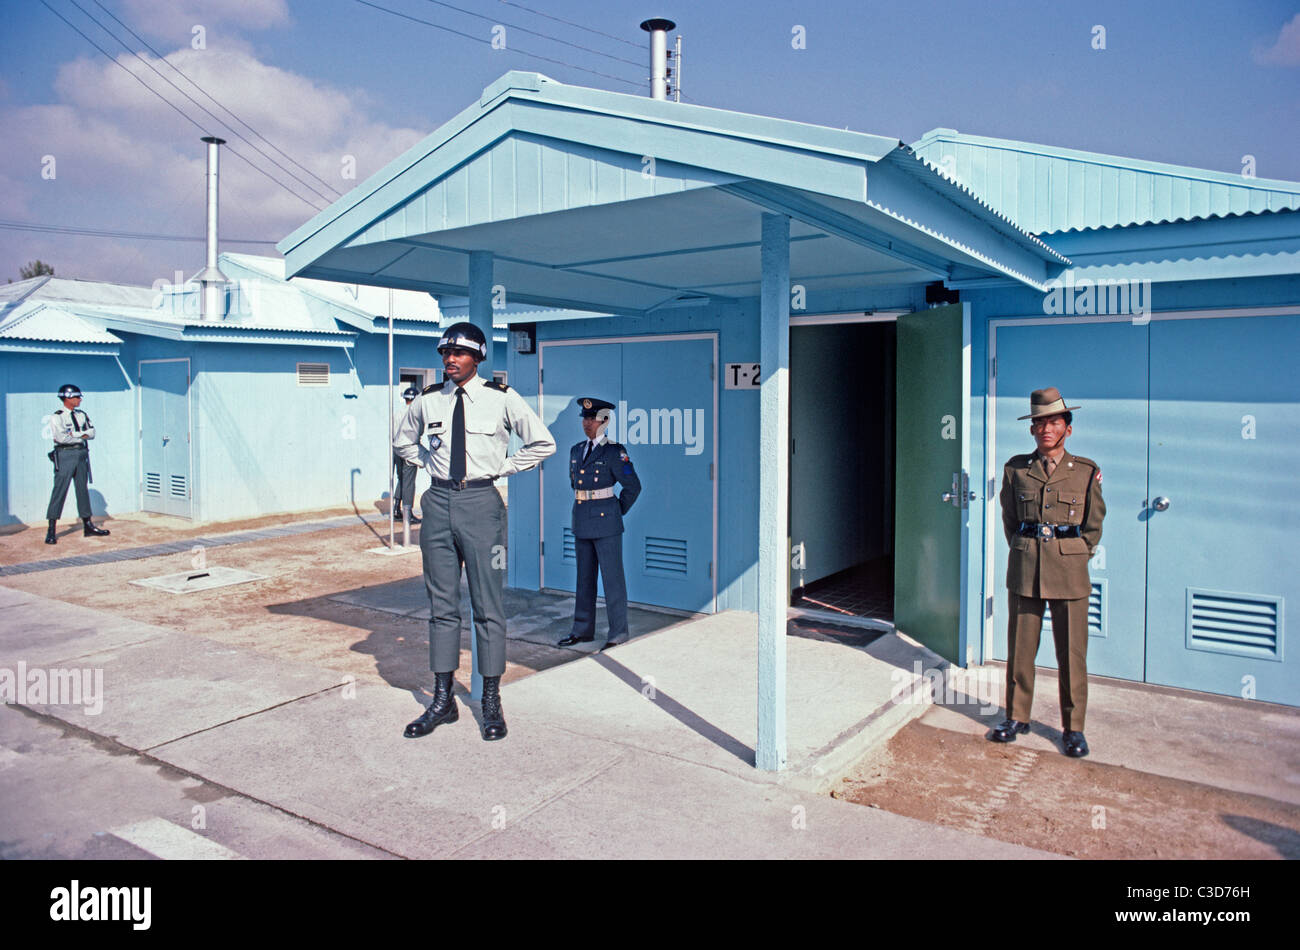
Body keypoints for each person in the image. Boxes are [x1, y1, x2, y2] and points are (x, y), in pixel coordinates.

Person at [394, 322, 555, 741]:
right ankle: (443, 700)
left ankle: (489, 699)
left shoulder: (501, 398)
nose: (450, 360)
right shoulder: (428, 401)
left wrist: (504, 467)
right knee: (441, 605)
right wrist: (429, 465)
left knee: (488, 606)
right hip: (438, 503)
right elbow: (402, 443)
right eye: (445, 353)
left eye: (459, 353)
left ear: (478, 357)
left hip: (483, 506)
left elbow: (543, 443)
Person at [992, 387, 1105, 757]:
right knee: (1020, 649)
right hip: (1026, 567)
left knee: (1072, 654)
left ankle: (1073, 728)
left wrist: (1073, 555)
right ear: (1031, 430)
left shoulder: (1085, 472)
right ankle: (1017, 717)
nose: (1045, 429)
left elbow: (1093, 526)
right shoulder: (1015, 469)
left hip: (1070, 572)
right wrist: (1026, 549)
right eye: (1039, 423)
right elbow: (1011, 520)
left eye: (1054, 422)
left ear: (1067, 429)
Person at [557, 398, 641, 650]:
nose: (587, 423)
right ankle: (582, 630)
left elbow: (633, 486)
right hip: (582, 518)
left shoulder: (615, 452)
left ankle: (618, 633)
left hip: (606, 523)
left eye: (592, 419)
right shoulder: (575, 450)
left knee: (612, 579)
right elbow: (576, 485)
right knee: (584, 579)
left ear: (605, 421)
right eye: (584, 418)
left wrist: (616, 511)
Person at [45, 384, 110, 544]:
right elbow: (61, 438)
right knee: (59, 490)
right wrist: (82, 435)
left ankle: (88, 525)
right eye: (77, 397)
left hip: (81, 454)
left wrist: (73, 434)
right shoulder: (57, 417)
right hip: (65, 454)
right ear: (67, 398)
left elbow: (92, 433)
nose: (80, 399)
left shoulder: (82, 415)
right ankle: (51, 529)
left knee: (82, 489)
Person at [392, 385, 421, 524]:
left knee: (401, 479)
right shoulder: (414, 413)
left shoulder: (397, 413)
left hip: (396, 450)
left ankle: (396, 509)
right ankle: (407, 514)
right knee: (409, 482)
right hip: (409, 451)